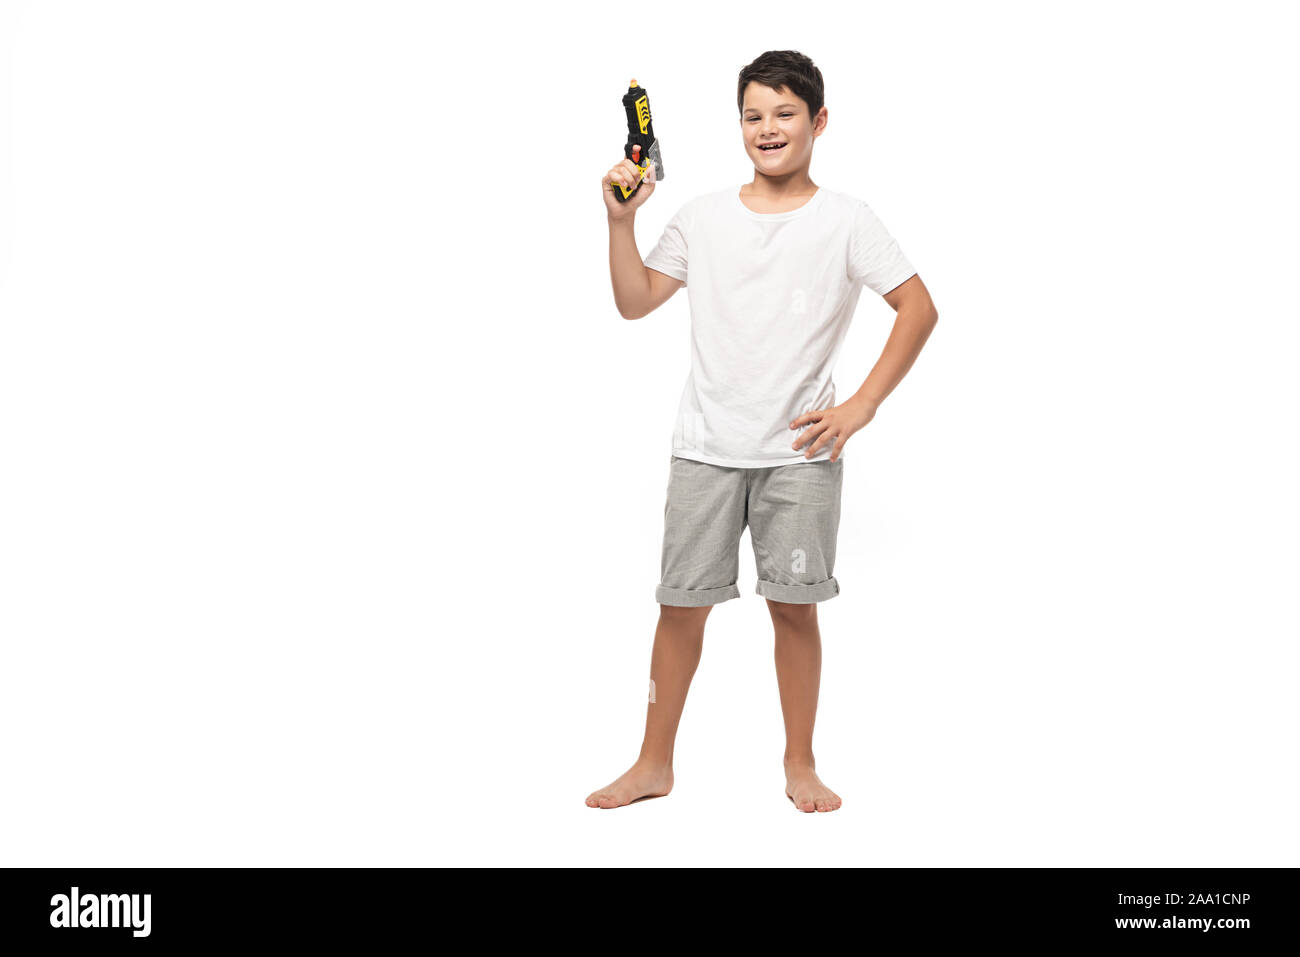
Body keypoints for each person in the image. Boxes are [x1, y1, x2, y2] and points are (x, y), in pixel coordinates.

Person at [588, 50, 939, 812]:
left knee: (793, 606)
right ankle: (653, 762)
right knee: (679, 605)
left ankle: (800, 763)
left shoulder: (848, 218)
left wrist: (861, 406)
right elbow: (634, 299)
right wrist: (623, 220)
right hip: (704, 447)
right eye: (753, 115)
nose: (768, 128)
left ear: (817, 121)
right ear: (739, 124)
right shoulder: (703, 216)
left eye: (785, 113)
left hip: (799, 455)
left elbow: (919, 309)